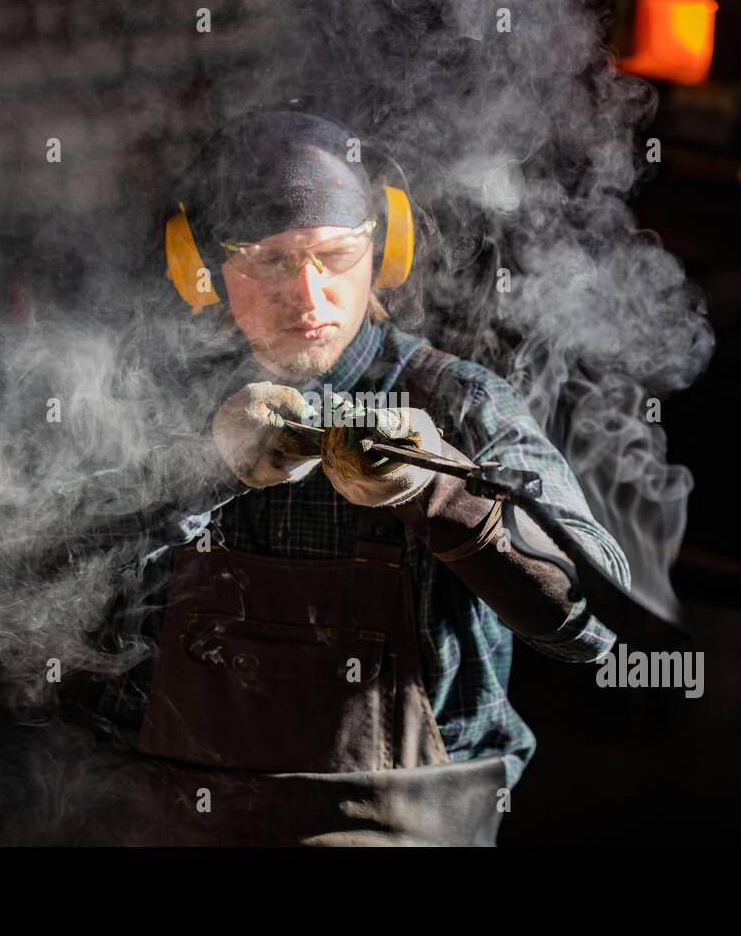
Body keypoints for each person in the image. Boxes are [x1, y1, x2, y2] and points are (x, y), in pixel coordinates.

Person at [92, 109, 631, 846]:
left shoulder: (461, 401)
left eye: (334, 257)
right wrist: (199, 468)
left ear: (384, 254)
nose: (308, 299)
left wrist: (437, 492)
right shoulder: (154, 401)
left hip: (401, 826)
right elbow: (46, 596)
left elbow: (589, 626)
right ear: (202, 270)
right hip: (185, 823)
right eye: (269, 262)